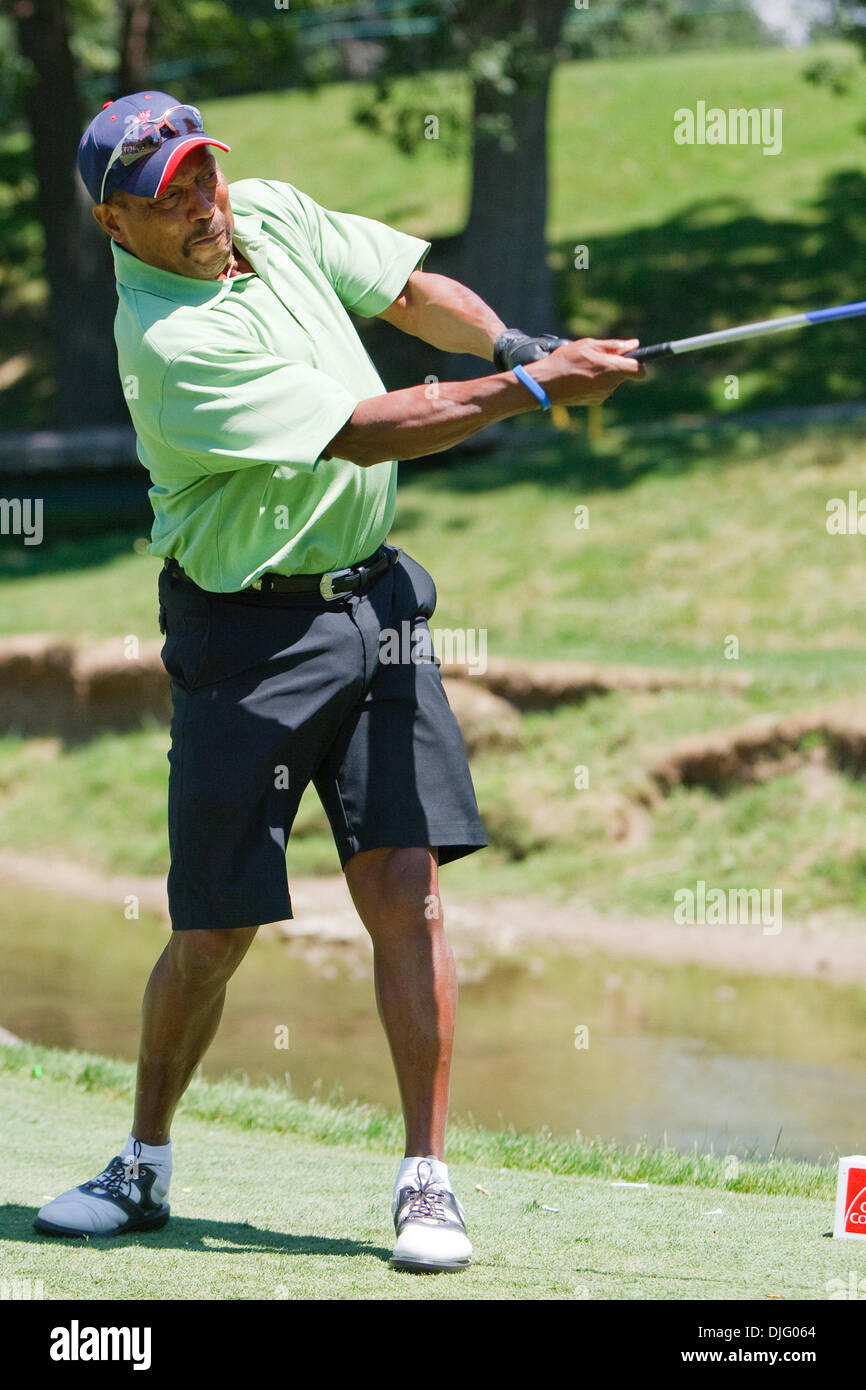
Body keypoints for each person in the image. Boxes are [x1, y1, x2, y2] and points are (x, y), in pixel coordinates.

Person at [33, 92, 642, 1273]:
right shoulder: (168, 346)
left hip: (376, 607)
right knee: (214, 934)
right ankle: (144, 1157)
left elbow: (410, 296)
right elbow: (363, 428)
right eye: (172, 197)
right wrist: (534, 394)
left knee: (406, 890)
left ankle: (425, 1178)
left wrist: (514, 346)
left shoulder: (268, 213)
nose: (206, 206)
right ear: (117, 223)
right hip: (244, 640)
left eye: (205, 174)